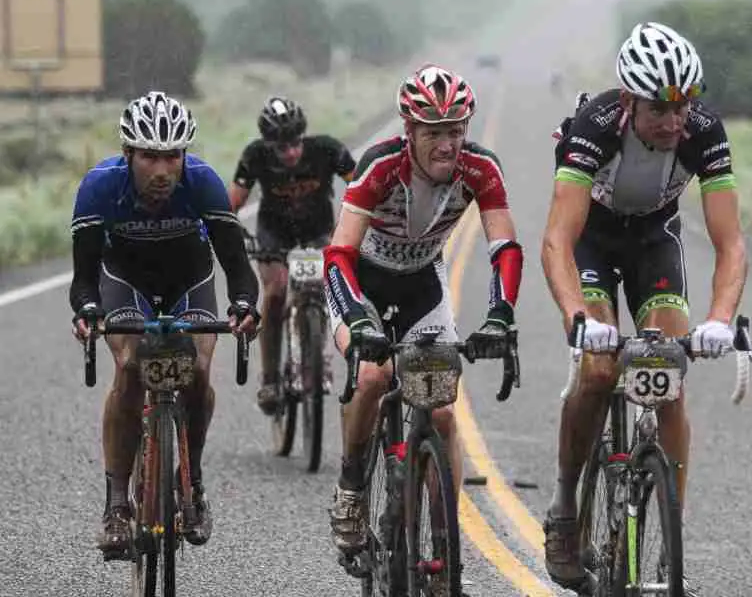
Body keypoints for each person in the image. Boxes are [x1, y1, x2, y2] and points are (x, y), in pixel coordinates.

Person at [540, 21, 748, 593]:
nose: (675, 120)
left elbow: (730, 244)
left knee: (666, 371)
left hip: (654, 241)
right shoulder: (595, 127)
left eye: (684, 105)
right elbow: (558, 239)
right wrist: (578, 320)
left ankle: (668, 528)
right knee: (601, 369)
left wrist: (719, 321)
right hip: (593, 241)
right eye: (660, 108)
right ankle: (564, 505)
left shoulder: (703, 132)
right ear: (629, 99)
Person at [322, 64, 524, 560]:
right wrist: (359, 320)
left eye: (455, 131)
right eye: (433, 133)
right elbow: (338, 255)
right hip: (361, 284)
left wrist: (500, 314)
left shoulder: (481, 169)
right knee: (373, 377)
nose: (447, 144)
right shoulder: (379, 166)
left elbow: (505, 247)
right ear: (409, 132)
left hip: (421, 287)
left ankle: (444, 540)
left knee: (442, 411)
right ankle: (350, 490)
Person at [69, 90, 261, 558]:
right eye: (150, 157)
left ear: (184, 156)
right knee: (133, 368)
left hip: (189, 277)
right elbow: (85, 278)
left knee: (193, 371)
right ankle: (116, 505)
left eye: (172, 157)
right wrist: (87, 312)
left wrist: (244, 305)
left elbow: (237, 265)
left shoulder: (203, 183)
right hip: (124, 280)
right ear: (128, 154)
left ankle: (190, 479)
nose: (161, 171)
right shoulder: (98, 187)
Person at [228, 96, 357, 413]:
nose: (290, 153)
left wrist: (350, 225)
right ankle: (270, 378)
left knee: (324, 287)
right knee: (274, 294)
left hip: (318, 230)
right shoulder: (255, 155)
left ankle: (316, 347)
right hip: (275, 235)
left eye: (295, 143)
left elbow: (360, 188)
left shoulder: (327, 149)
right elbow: (233, 203)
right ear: (268, 144)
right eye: (281, 147)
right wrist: (227, 233)